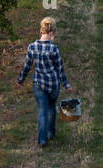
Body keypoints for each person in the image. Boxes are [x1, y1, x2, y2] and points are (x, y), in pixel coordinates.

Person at [15, 16, 73, 148]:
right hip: (53, 85)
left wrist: (21, 80)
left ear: (41, 31)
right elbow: (60, 69)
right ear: (51, 32)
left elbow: (27, 66)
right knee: (52, 108)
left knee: (42, 111)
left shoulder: (32, 47)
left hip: (39, 85)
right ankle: (51, 133)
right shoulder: (54, 49)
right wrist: (66, 84)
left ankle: (42, 140)